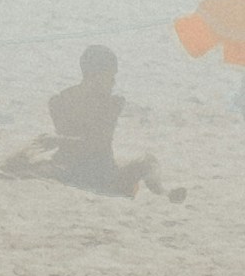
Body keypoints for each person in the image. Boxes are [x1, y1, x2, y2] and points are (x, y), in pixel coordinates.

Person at [37, 44, 168, 197]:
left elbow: (74, 137)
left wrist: (59, 141)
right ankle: (162, 191)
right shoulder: (112, 104)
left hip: (66, 169)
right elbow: (97, 144)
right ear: (97, 75)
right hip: (101, 175)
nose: (113, 82)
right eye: (111, 76)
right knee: (148, 161)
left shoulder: (58, 101)